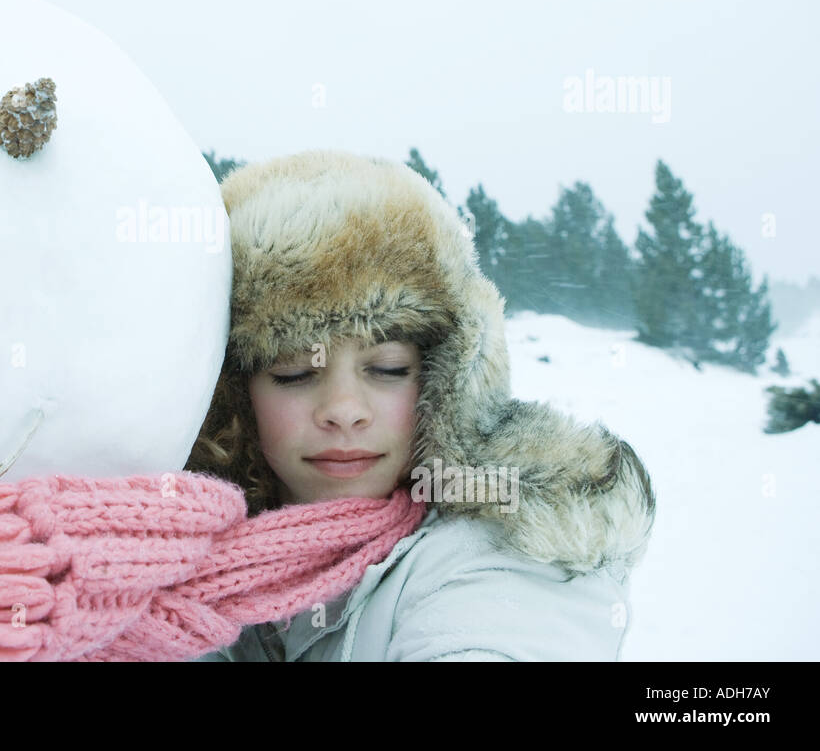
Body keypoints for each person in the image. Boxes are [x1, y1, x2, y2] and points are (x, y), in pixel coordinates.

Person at [187, 149, 657, 661]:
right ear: (231, 392)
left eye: (387, 368)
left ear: (447, 378)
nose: (344, 410)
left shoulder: (503, 556)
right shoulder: (165, 573)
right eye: (294, 373)